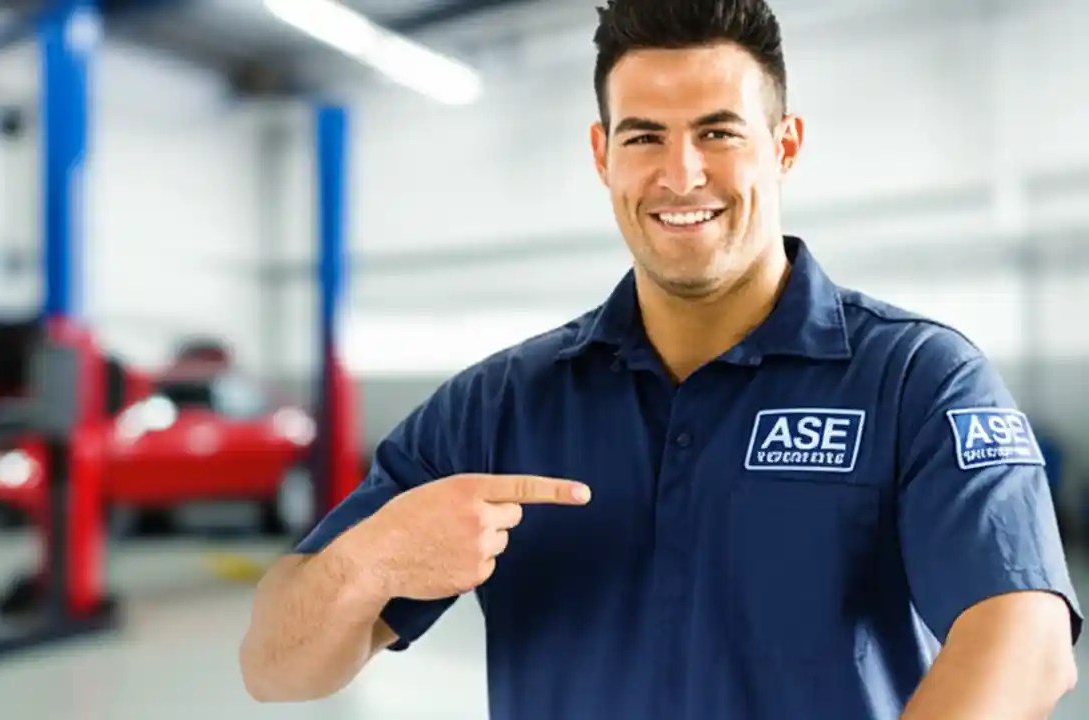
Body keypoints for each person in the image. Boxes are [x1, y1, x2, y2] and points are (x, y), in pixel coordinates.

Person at [239, 0, 1083, 717]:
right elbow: (275, 668)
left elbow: (1026, 636)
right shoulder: (499, 406)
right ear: (604, 155)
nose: (681, 174)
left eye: (717, 131)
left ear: (784, 145)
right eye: (645, 137)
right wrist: (374, 553)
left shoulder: (914, 379)